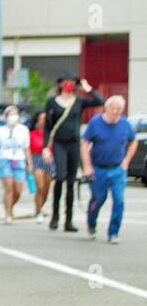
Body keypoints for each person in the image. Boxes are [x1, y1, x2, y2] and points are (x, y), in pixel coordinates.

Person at [43, 74, 104, 231]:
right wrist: (45, 148)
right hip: (58, 143)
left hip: (74, 143)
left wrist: (88, 88)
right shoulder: (52, 102)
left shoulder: (79, 102)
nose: (70, 85)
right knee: (60, 177)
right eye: (67, 82)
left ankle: (68, 220)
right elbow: (47, 127)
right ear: (61, 84)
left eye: (72, 82)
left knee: (71, 181)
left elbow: (99, 102)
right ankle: (55, 216)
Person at [82, 95, 138, 245]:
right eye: (113, 108)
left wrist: (126, 161)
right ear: (106, 108)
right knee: (98, 199)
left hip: (117, 169)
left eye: (119, 109)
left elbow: (133, 142)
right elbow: (85, 143)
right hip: (98, 169)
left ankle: (113, 232)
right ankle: (91, 222)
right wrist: (87, 166)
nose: (115, 112)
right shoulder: (95, 123)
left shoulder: (125, 124)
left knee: (119, 201)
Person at [0, 106, 32, 223]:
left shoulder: (23, 130)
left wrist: (29, 163)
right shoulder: (0, 131)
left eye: (15, 114)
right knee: (9, 188)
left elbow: (26, 148)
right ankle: (8, 214)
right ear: (6, 117)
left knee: (18, 191)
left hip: (19, 160)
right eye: (10, 114)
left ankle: (9, 205)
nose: (13, 117)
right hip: (4, 160)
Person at [30, 110, 54, 222]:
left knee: (46, 188)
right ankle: (38, 211)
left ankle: (40, 207)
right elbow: (28, 150)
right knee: (40, 187)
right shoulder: (32, 133)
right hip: (37, 159)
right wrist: (29, 164)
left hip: (49, 160)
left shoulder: (51, 134)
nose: (43, 121)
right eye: (41, 119)